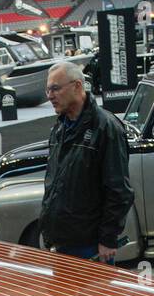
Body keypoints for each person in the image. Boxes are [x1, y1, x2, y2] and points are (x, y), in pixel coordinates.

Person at [40, 62, 133, 262]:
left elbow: (119, 190)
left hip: (91, 247)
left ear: (77, 86)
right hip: (61, 242)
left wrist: (108, 238)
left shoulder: (106, 127)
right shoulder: (59, 128)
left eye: (55, 88)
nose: (50, 96)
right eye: (47, 90)